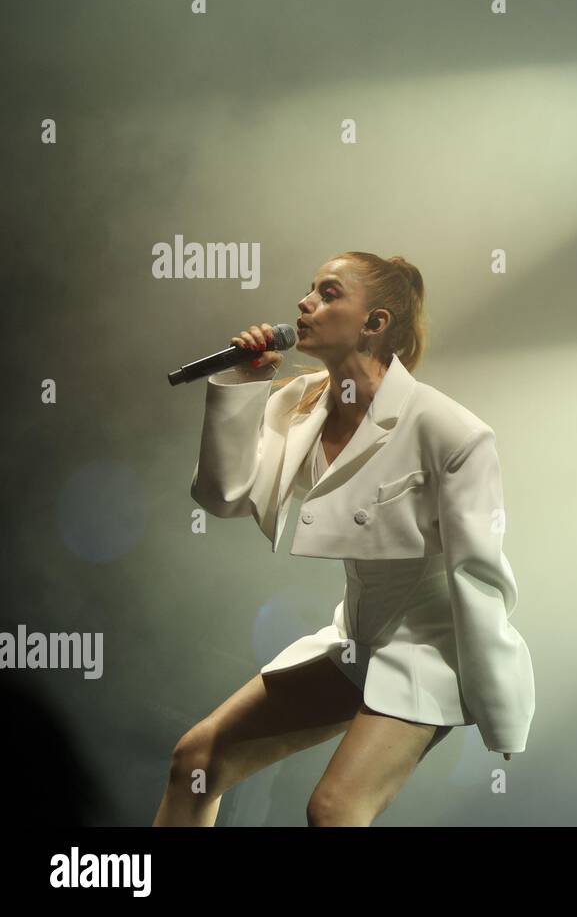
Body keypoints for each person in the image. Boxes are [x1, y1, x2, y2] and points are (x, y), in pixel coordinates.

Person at [154, 252, 534, 826]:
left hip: (431, 648)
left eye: (329, 293)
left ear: (375, 324)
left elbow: (478, 574)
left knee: (333, 810)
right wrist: (243, 384)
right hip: (354, 638)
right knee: (197, 760)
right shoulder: (297, 399)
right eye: (309, 290)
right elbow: (223, 497)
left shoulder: (450, 431)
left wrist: (499, 705)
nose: (306, 303)